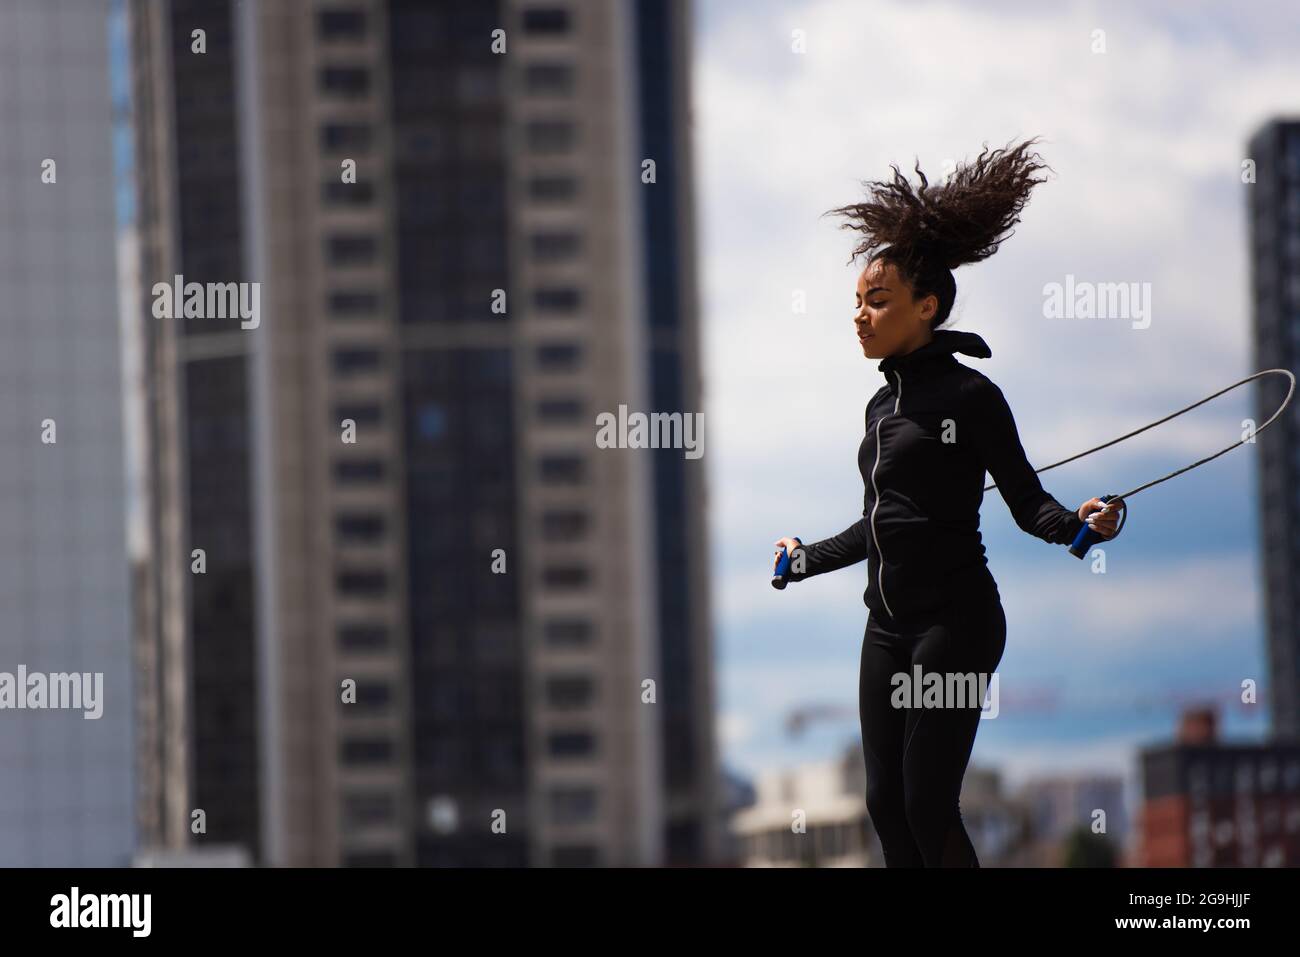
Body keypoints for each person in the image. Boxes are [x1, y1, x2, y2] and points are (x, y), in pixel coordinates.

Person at [773, 138, 1119, 867]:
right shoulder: (879, 408)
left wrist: (1082, 528)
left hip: (955, 623)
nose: (860, 315)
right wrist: (804, 559)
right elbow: (879, 528)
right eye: (857, 302)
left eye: (877, 301)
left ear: (926, 306)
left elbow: (1028, 501)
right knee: (884, 804)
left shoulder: (971, 395)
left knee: (926, 802)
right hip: (886, 628)